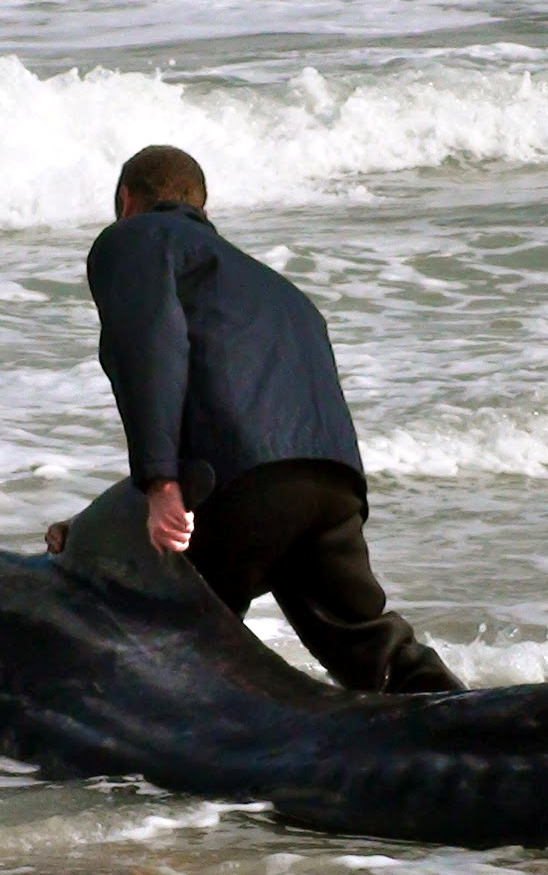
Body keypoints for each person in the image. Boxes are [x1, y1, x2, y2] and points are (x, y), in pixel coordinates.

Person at [47, 145, 462, 694]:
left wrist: (161, 483)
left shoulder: (135, 238)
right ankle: (485, 727)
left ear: (127, 201)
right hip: (330, 482)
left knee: (158, 653)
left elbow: (150, 348)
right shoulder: (275, 287)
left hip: (245, 483)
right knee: (373, 650)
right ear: (203, 209)